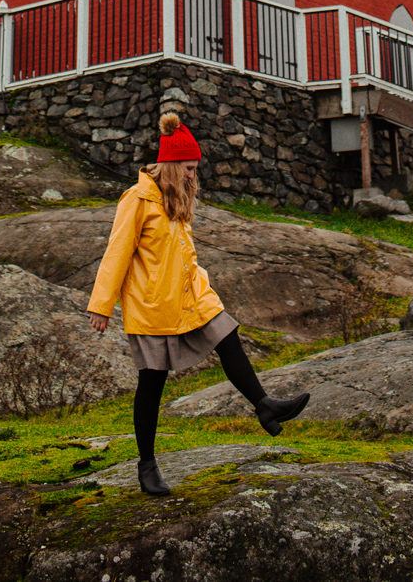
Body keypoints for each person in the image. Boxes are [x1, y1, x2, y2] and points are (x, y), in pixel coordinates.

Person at [86, 110, 310, 496]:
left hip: (192, 294)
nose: (193, 175)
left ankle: (264, 405)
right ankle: (147, 465)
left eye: (194, 168)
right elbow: (117, 253)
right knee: (151, 385)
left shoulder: (177, 197)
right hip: (153, 304)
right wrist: (101, 304)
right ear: (170, 166)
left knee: (228, 335)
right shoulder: (138, 199)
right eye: (188, 168)